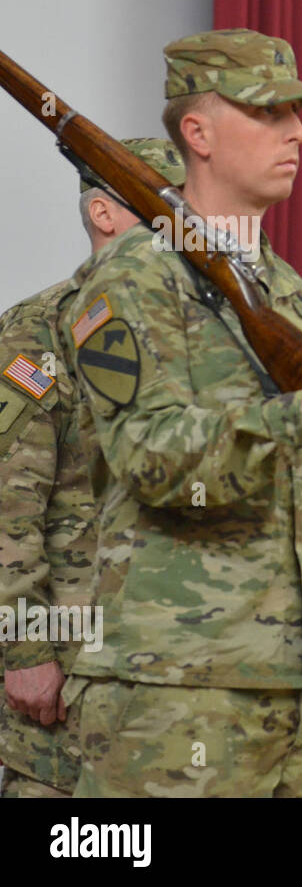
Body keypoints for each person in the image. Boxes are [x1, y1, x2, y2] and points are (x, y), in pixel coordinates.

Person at [59, 29, 302, 798]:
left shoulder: (278, 282)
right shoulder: (136, 277)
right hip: (177, 687)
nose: (300, 131)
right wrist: (296, 421)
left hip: (298, 681)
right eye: (268, 112)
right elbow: (144, 453)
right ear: (197, 134)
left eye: (300, 113)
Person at [0, 139, 184, 797]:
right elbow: (8, 510)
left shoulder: (211, 332)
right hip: (76, 670)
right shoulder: (40, 331)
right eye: (166, 205)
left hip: (190, 672)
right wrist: (25, 654)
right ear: (104, 214)